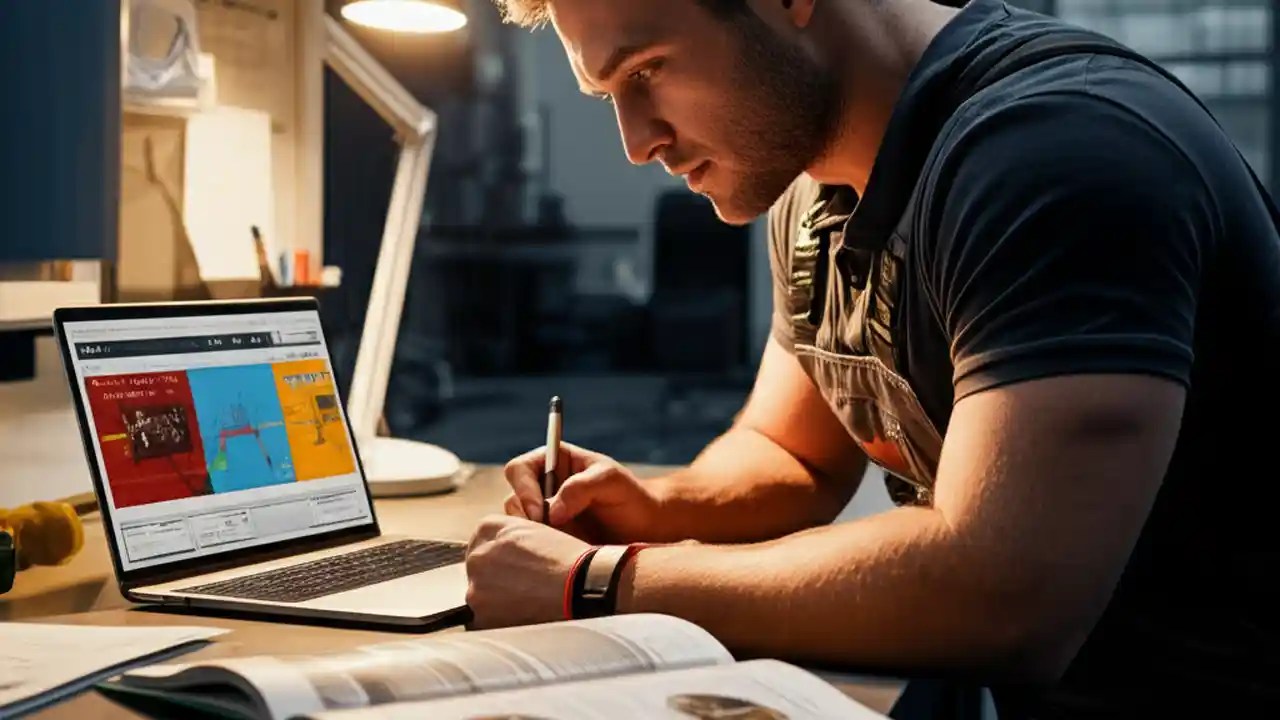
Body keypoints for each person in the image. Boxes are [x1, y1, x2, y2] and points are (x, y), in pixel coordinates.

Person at [462, 0, 1280, 716]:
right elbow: (789, 454)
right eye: (608, 94)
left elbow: (1000, 596)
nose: (637, 143)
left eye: (647, 69)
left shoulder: (1056, 157)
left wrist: (598, 583)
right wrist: (660, 504)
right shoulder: (816, 188)